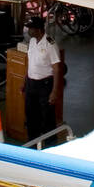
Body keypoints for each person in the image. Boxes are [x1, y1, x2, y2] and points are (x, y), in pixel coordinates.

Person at [23, 15, 62, 143]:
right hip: (31, 83)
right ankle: (32, 143)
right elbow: (31, 63)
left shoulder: (50, 44)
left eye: (31, 28)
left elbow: (56, 68)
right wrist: (25, 82)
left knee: (47, 117)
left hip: (45, 85)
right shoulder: (32, 41)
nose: (28, 31)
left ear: (39, 30)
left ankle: (50, 144)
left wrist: (54, 91)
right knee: (31, 115)